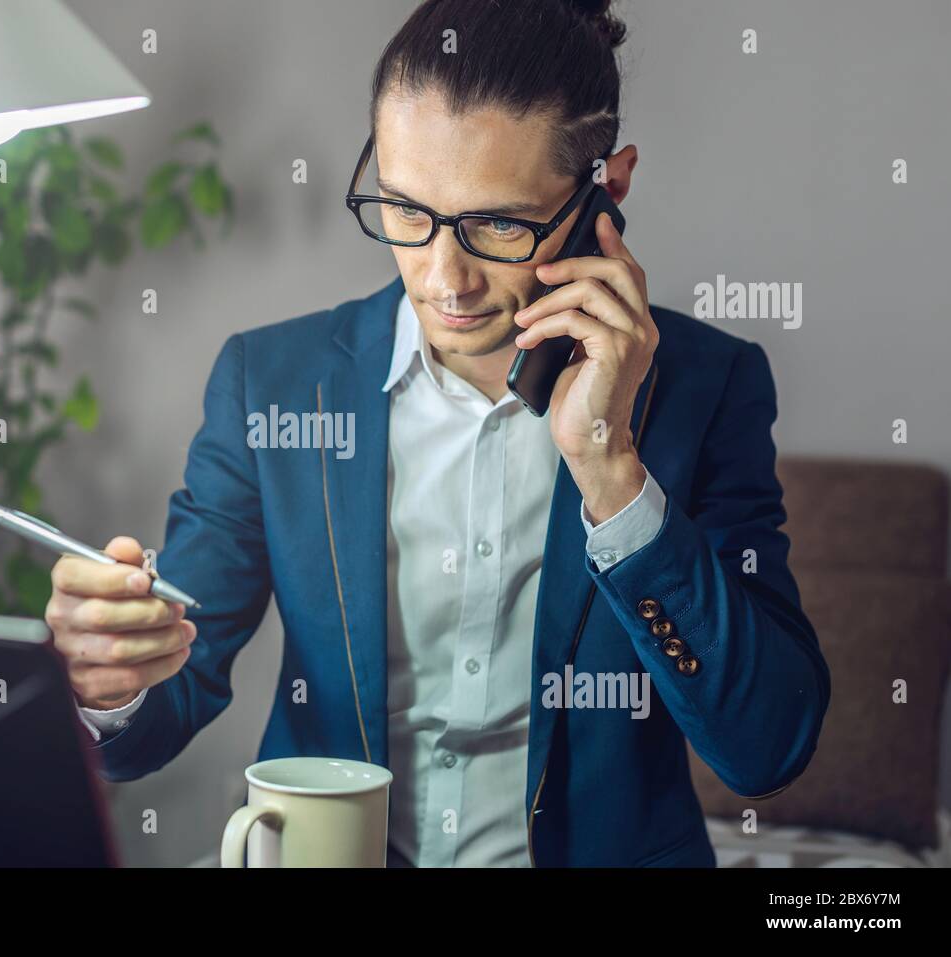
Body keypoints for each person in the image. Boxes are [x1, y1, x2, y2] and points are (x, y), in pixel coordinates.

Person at [44, 0, 830, 867]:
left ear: (608, 187)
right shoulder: (271, 384)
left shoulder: (707, 387)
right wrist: (107, 680)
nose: (443, 277)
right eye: (404, 209)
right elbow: (156, 713)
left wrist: (609, 469)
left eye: (498, 224)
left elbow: (769, 748)